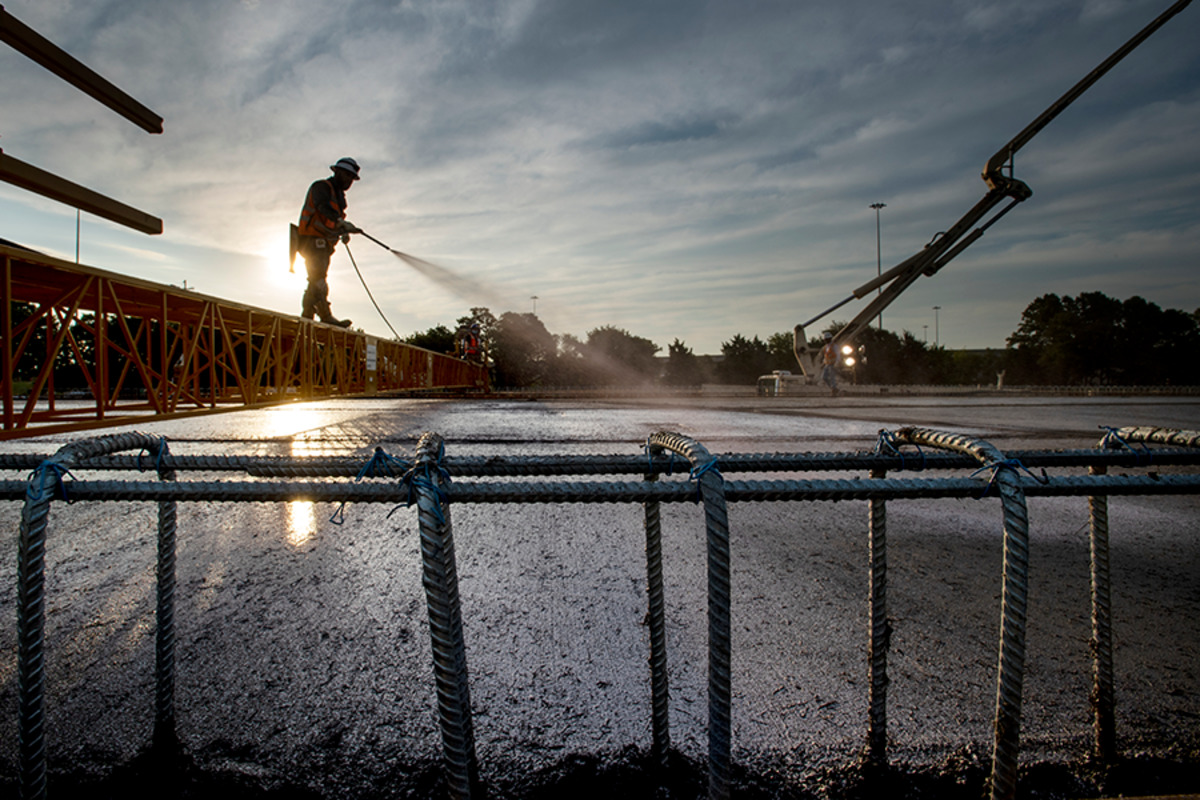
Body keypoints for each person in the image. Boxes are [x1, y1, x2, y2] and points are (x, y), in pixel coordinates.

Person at [296, 157, 362, 327]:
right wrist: (341, 223)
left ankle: (307, 316)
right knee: (318, 279)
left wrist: (343, 231)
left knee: (315, 279)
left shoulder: (340, 198)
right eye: (347, 176)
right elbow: (322, 208)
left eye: (352, 178)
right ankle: (325, 315)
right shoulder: (321, 187)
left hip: (324, 243)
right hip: (311, 239)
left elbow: (332, 220)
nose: (349, 181)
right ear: (337, 172)